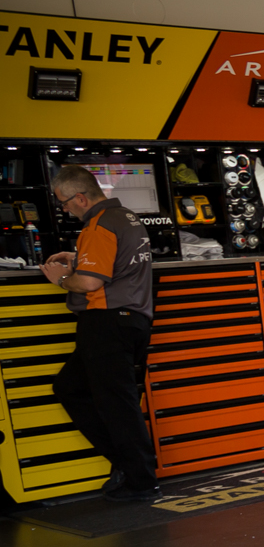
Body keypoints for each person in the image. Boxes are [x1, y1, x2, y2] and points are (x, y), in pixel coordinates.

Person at [41, 166, 158, 501]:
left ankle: (140, 479)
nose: (64, 209)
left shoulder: (98, 225)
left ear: (80, 197)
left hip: (107, 324)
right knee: (69, 387)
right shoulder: (127, 217)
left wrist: (61, 278)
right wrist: (79, 258)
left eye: (64, 203)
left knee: (117, 405)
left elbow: (90, 283)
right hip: (131, 323)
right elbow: (118, 262)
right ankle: (126, 464)